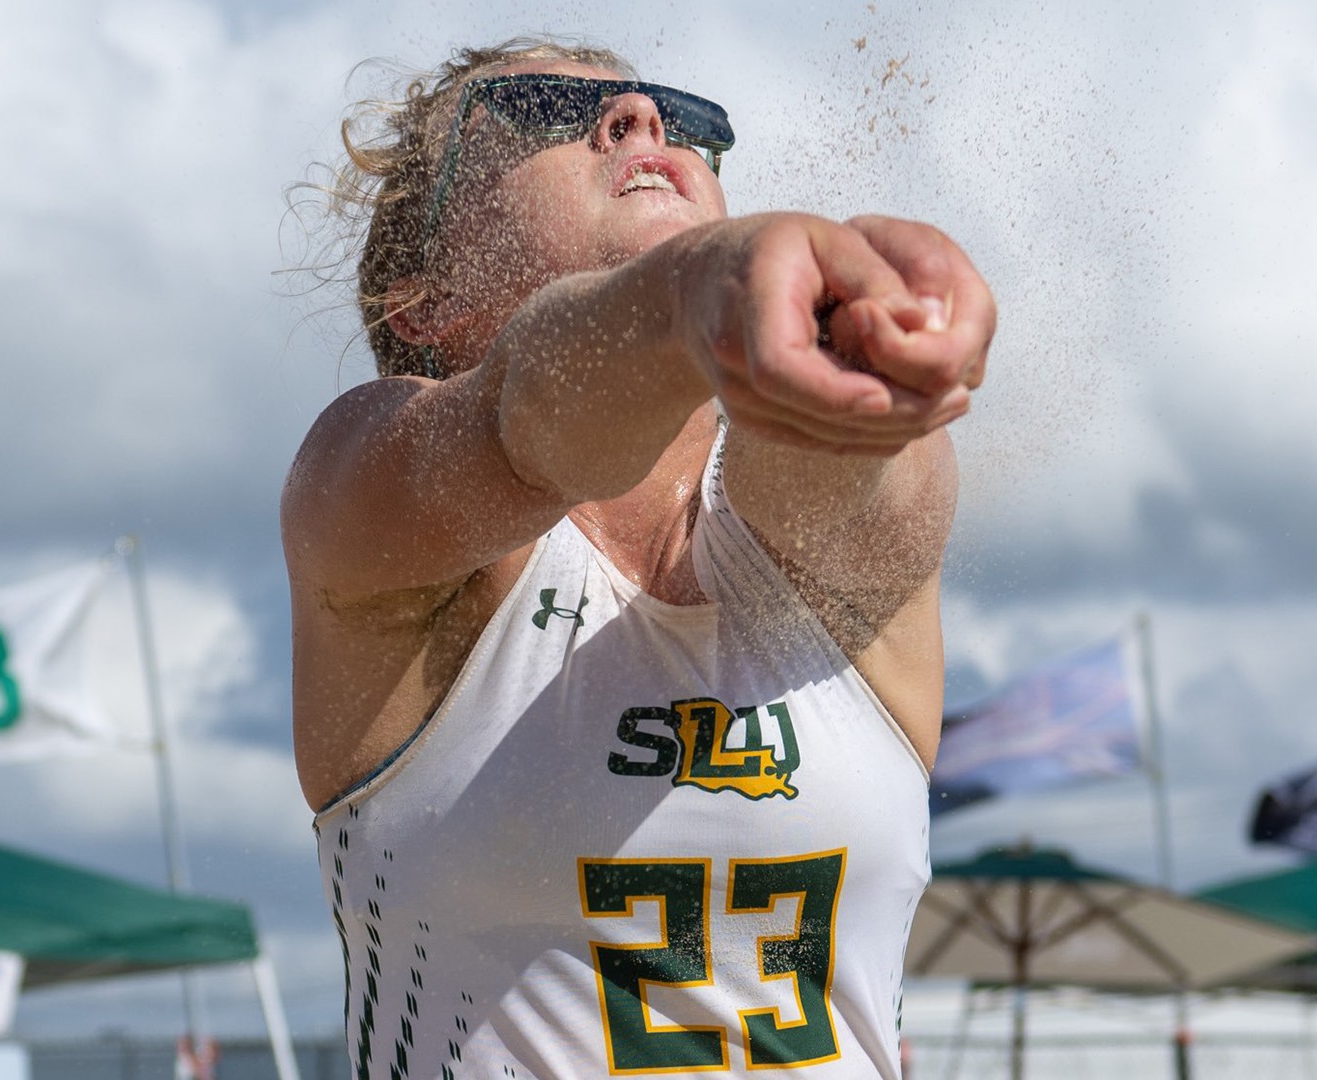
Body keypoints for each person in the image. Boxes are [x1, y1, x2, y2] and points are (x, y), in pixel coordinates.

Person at [283, 37, 994, 1079]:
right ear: (426, 299)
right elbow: (525, 416)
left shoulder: (829, 501)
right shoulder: (366, 488)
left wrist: (882, 354)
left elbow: (851, 469)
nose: (637, 118)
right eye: (537, 108)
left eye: (671, 111)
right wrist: (703, 287)